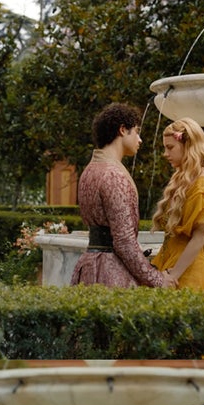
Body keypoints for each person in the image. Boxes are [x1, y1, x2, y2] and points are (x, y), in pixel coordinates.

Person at [73, 101, 175, 288]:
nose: (140, 139)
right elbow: (124, 242)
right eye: (136, 131)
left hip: (89, 265)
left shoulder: (90, 170)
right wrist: (158, 279)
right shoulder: (114, 175)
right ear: (122, 130)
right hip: (111, 271)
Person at [152, 117, 204, 290]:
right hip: (171, 265)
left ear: (188, 145)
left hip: (186, 274)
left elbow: (199, 238)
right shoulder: (182, 179)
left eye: (170, 147)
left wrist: (173, 276)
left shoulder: (202, 182)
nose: (165, 154)